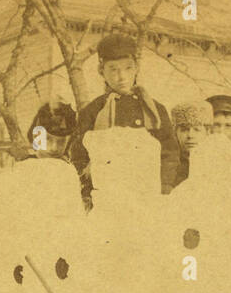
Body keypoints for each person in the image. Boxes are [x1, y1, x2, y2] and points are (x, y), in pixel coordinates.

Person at [67, 32, 180, 209]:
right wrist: (87, 194)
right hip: (107, 198)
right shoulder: (93, 111)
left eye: (128, 68)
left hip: (147, 196)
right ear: (101, 70)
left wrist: (164, 188)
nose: (121, 76)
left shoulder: (155, 111)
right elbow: (80, 157)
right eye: (113, 69)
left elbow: (169, 152)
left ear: (136, 68)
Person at [166, 100, 213, 194]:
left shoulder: (216, 165)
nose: (190, 135)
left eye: (197, 130)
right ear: (175, 133)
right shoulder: (168, 167)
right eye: (184, 130)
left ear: (207, 133)